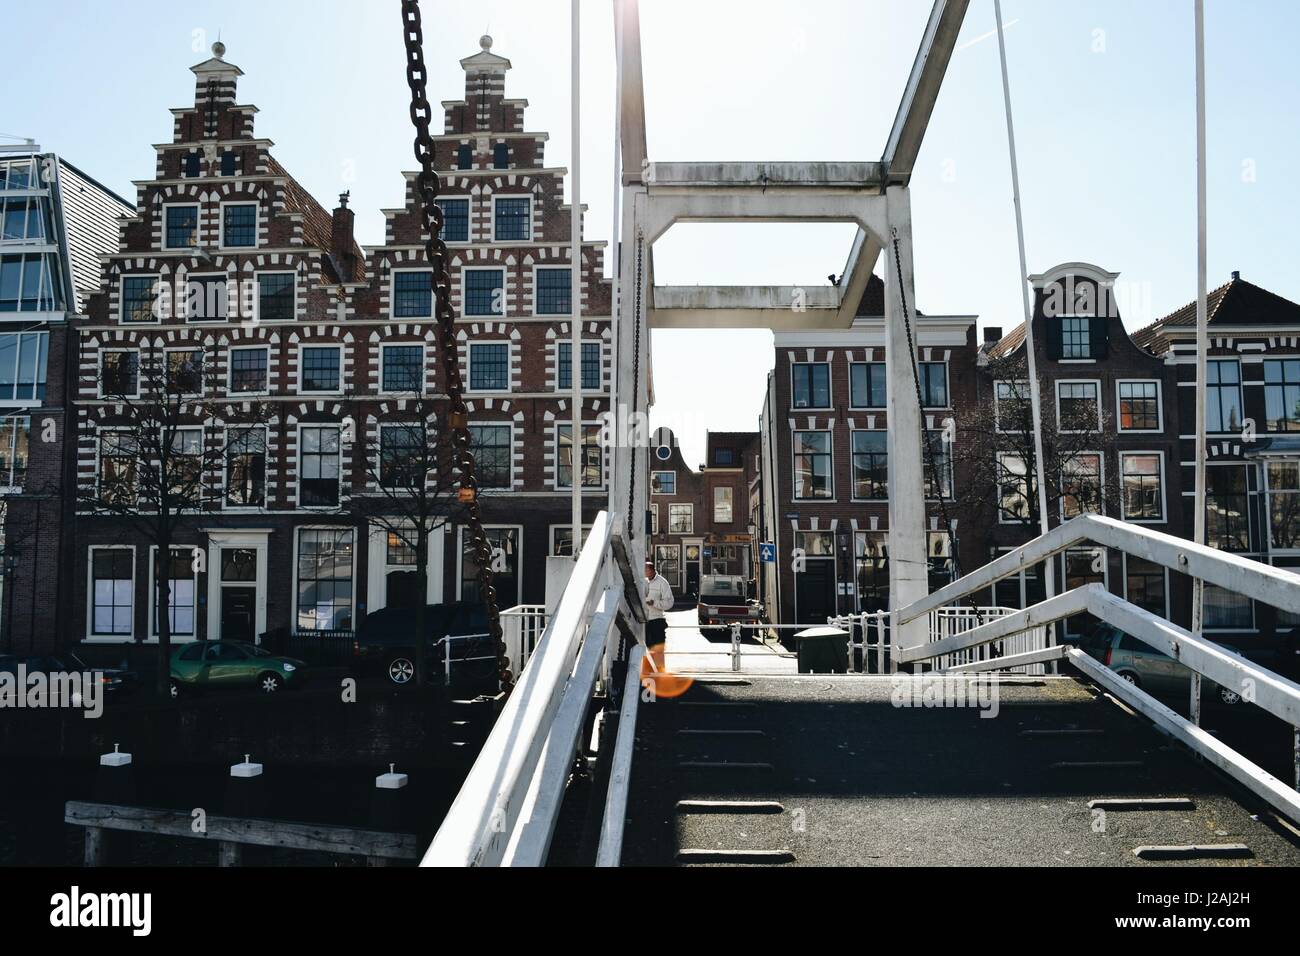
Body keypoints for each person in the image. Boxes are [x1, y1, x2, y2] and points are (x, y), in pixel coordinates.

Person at [643, 561, 673, 672]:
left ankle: (660, 671)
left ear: (652, 570)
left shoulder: (662, 583)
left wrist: (655, 603)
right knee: (645, 648)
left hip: (656, 620)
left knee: (658, 648)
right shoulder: (641, 581)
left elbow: (669, 602)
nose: (644, 572)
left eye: (646, 570)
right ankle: (649, 671)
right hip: (643, 621)